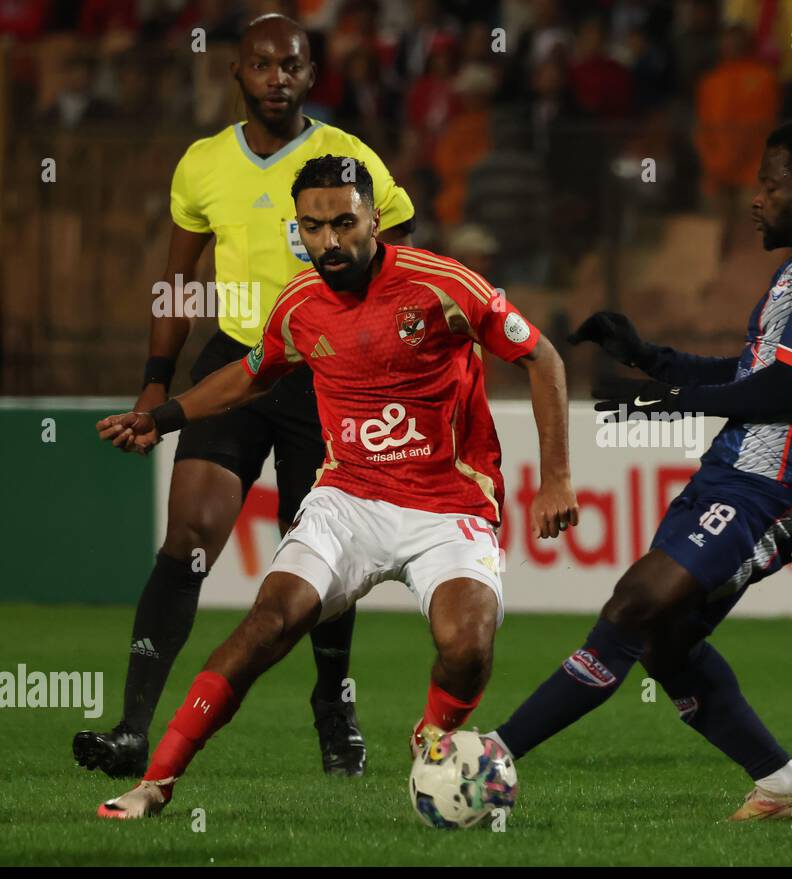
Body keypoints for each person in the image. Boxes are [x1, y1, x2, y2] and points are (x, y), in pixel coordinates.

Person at [94, 154, 579, 819]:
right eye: (312, 227)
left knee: (467, 646)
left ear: (375, 218)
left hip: (448, 506)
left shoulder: (441, 284)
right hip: (347, 501)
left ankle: (432, 738)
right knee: (268, 623)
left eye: (344, 223)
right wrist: (164, 415)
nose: (328, 242)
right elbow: (250, 375)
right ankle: (156, 779)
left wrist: (555, 479)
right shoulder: (299, 304)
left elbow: (541, 356)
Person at [487, 118, 792, 821]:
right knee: (665, 644)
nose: (756, 199)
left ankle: (491, 757)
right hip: (735, 473)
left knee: (635, 604)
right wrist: (647, 357)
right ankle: (786, 787)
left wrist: (663, 401)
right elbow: (750, 373)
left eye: (773, 185)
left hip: (779, 486)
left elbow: (786, 392)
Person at [73, 14, 415, 779]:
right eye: (261, 64)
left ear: (309, 73)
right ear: (236, 73)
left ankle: (334, 707)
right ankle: (134, 729)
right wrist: (157, 382)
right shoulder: (201, 166)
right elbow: (176, 282)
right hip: (235, 363)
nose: (276, 77)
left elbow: (399, 259)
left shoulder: (350, 158)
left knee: (322, 557)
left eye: (289, 64)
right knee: (188, 536)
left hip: (324, 369)